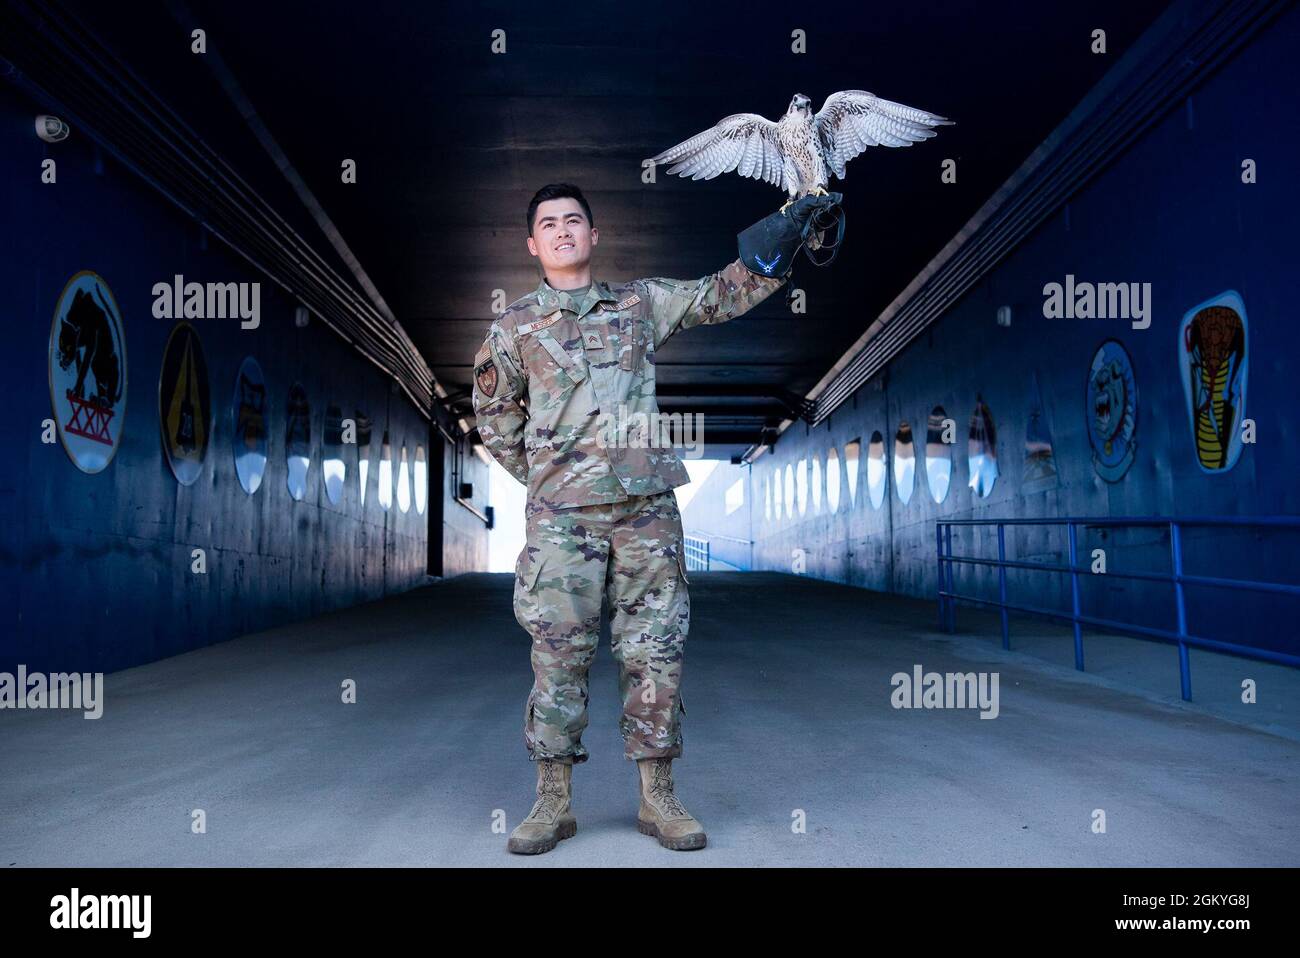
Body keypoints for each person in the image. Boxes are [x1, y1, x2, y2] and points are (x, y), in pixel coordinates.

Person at [472, 182, 838, 853]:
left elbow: (722, 293)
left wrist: (782, 235)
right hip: (563, 525)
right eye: (548, 224)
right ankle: (552, 802)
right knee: (558, 655)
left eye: (574, 220)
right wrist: (548, 480)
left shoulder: (640, 303)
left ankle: (658, 799)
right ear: (532, 244)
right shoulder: (513, 328)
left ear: (594, 235)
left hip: (646, 514)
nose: (561, 231)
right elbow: (494, 420)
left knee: (655, 652)